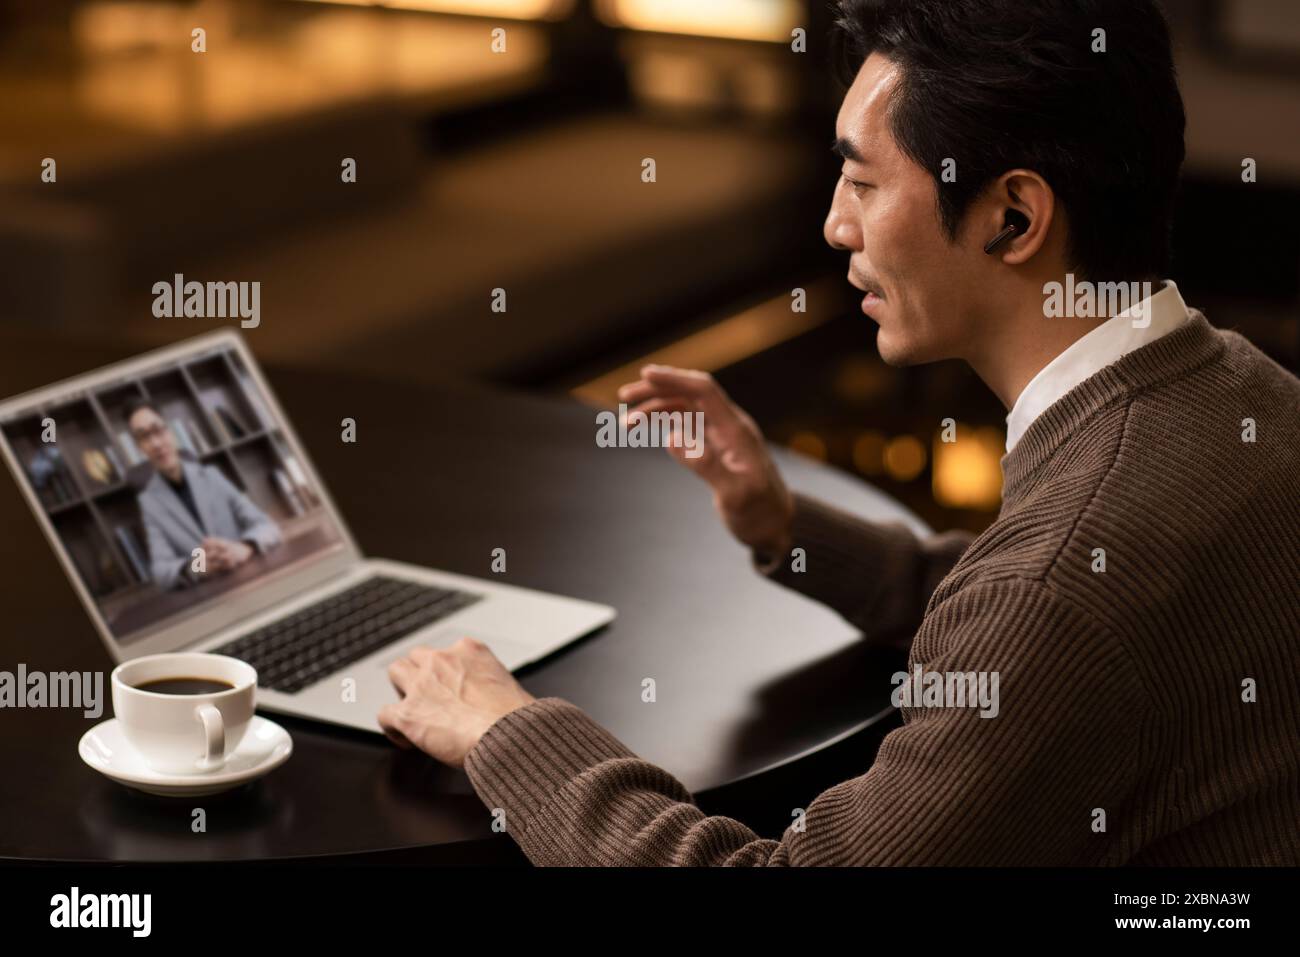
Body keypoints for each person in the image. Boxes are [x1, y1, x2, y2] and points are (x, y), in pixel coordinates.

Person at [377, 0, 1300, 865]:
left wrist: (509, 730)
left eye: (863, 180)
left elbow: (1046, 612)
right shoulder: (1249, 392)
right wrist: (788, 527)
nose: (834, 223)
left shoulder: (1055, 587)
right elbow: (1060, 617)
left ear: (1013, 217)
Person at [127, 400, 282, 589]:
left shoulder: (211, 475)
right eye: (144, 437)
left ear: (170, 431)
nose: (156, 443)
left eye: (158, 430)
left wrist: (244, 548)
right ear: (139, 447)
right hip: (209, 595)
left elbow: (266, 525)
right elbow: (161, 571)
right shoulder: (149, 501)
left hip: (251, 581)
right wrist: (199, 565)